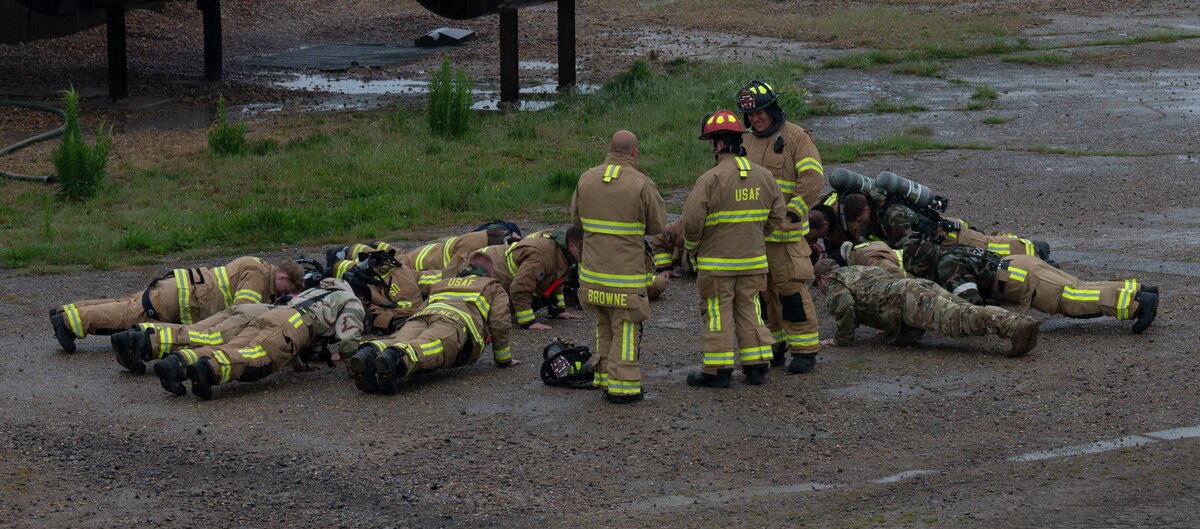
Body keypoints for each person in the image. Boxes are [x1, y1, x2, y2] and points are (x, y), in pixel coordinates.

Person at [680, 110, 786, 388]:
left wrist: (692, 249)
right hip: (753, 261)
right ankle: (756, 367)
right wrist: (754, 236)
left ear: (717, 144)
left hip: (717, 265)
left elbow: (691, 223)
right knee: (751, 309)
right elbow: (777, 216)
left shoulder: (711, 179)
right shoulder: (764, 176)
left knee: (717, 313)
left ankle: (717, 371)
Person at [568, 130, 667, 403]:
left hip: (592, 277)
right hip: (625, 278)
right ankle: (623, 387)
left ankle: (603, 378)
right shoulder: (642, 184)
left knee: (604, 325)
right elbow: (658, 226)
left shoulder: (586, 179)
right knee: (625, 328)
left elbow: (575, 221)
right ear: (634, 153)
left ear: (609, 149)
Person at [152, 277, 367, 399]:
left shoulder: (317, 291)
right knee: (255, 357)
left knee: (236, 345)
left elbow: (297, 340)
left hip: (273, 314)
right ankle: (208, 371)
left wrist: (299, 366)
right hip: (293, 324)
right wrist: (353, 367)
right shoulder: (352, 301)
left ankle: (176, 365)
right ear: (361, 297)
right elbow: (349, 338)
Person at [737, 80, 824, 372]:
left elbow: (812, 179)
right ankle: (773, 346)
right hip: (755, 237)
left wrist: (792, 214)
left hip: (785, 238)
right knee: (763, 297)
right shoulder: (745, 141)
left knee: (791, 294)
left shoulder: (796, 137)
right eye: (750, 114)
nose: (755, 118)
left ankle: (805, 350)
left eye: (760, 112)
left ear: (773, 108)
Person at [50, 257, 302, 354]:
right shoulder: (258, 275)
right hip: (182, 298)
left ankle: (66, 312)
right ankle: (70, 323)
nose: (283, 295)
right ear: (281, 277)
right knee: (129, 314)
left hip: (180, 288)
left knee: (125, 304)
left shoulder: (257, 265)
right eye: (286, 290)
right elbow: (244, 309)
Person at [903, 240, 1159, 333]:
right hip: (1019, 264)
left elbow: (970, 301)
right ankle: (1139, 289)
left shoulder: (945, 266)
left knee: (1073, 300)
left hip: (1020, 280)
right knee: (1079, 286)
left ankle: (1138, 304)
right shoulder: (952, 251)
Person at [347, 253, 516, 394]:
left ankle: (369, 352)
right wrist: (503, 359)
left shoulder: (443, 283)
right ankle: (395, 360)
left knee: (397, 340)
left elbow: (423, 305)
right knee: (427, 346)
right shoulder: (491, 286)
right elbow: (499, 321)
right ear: (490, 273)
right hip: (453, 322)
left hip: (422, 316)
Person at [813, 260, 1040, 357]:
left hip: (908, 300)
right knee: (965, 308)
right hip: (916, 285)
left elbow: (845, 305)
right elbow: (873, 294)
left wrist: (841, 339)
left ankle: (1015, 327)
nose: (821, 289)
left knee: (959, 320)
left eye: (818, 285)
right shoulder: (859, 270)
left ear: (823, 277)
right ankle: (1018, 321)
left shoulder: (834, 282)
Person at [473, 227, 583, 330]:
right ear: (572, 246)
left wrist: (558, 310)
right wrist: (529, 322)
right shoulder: (543, 256)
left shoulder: (563, 252)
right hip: (483, 269)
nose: (587, 256)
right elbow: (519, 288)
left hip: (498, 267)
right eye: (584, 250)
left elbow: (556, 281)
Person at [399, 221, 523, 271]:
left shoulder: (488, 236)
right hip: (414, 266)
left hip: (423, 261)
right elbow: (450, 275)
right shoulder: (472, 246)